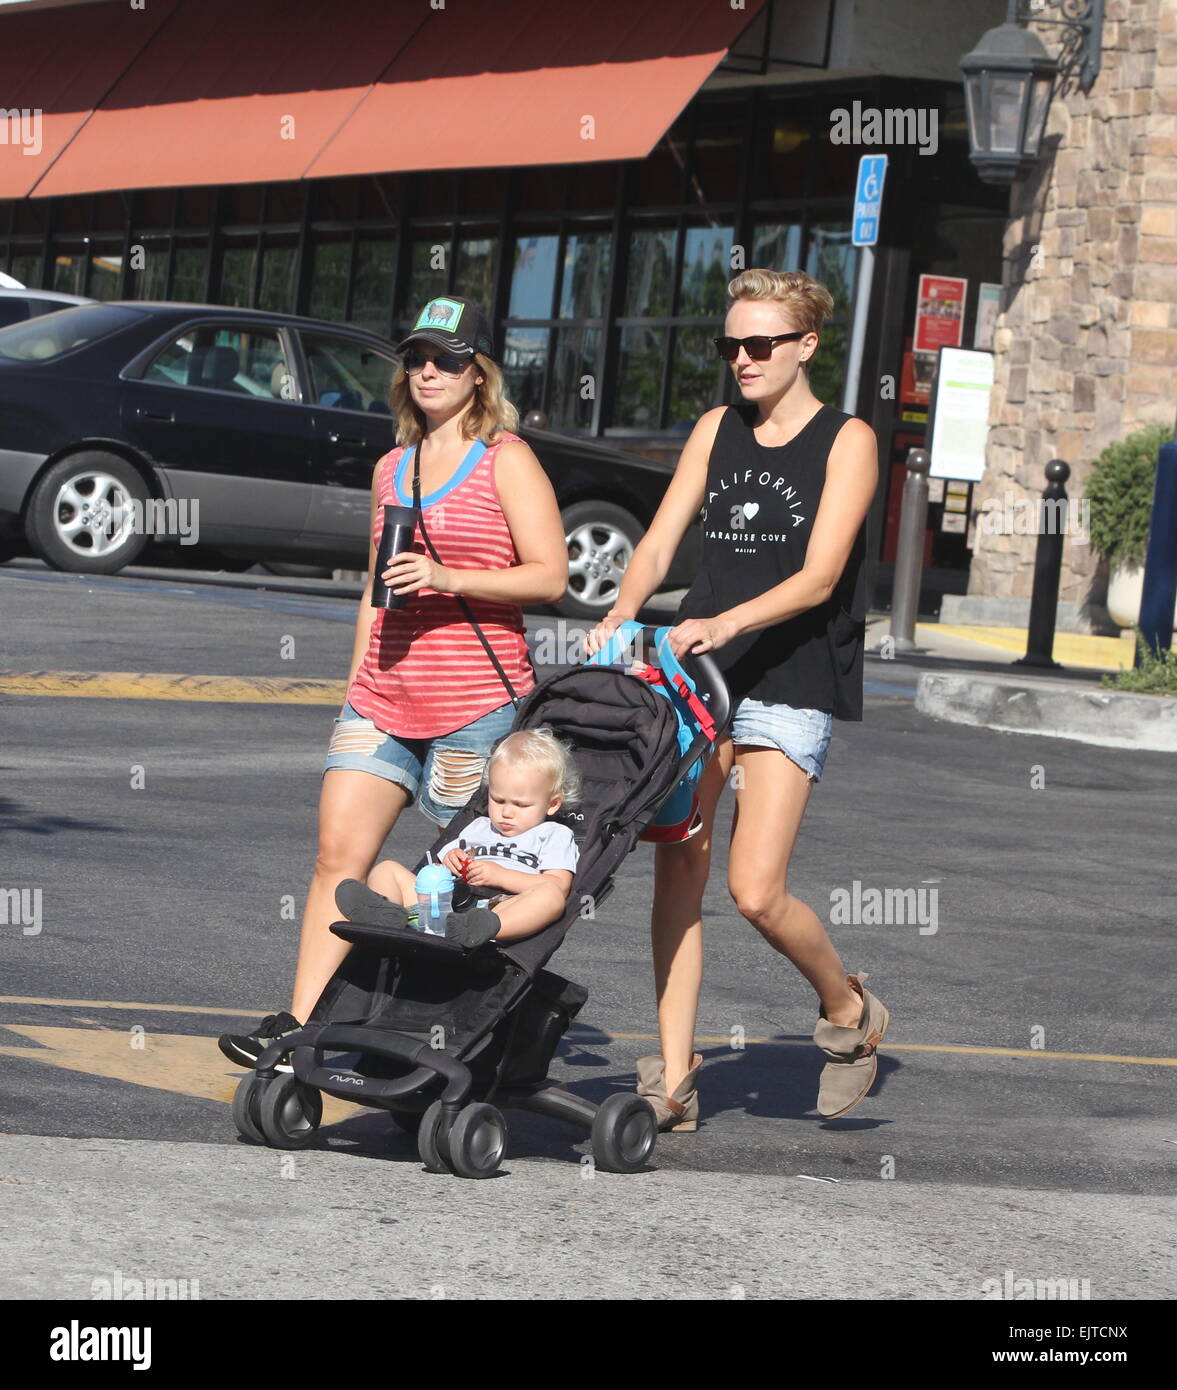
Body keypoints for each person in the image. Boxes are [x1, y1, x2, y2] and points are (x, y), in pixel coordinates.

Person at [219, 295, 567, 1068]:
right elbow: (375, 589)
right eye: (416, 358)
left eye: (446, 359)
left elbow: (551, 575)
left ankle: (470, 1030)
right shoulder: (392, 467)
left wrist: (446, 575)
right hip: (381, 697)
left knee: (473, 878)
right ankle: (300, 1028)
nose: (428, 371)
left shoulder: (506, 458)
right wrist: (353, 687)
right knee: (333, 857)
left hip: (474, 705)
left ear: (479, 373)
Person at [586, 268, 887, 1130]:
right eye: (731, 346)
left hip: (789, 677)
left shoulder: (847, 440)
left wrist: (723, 622)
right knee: (677, 871)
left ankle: (845, 1009)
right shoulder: (716, 428)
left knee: (755, 890)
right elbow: (657, 543)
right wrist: (617, 614)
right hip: (695, 678)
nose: (742, 360)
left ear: (805, 346)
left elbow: (821, 575)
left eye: (760, 346)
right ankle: (675, 1078)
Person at [335, 727, 581, 949]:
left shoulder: (553, 834)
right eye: (498, 800)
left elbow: (557, 885)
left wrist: (502, 876)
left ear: (552, 804)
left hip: (499, 909)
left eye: (521, 804)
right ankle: (392, 916)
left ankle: (472, 929)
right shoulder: (478, 827)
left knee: (550, 898)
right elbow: (433, 871)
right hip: (444, 906)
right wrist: (450, 861)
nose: (506, 811)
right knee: (387, 869)